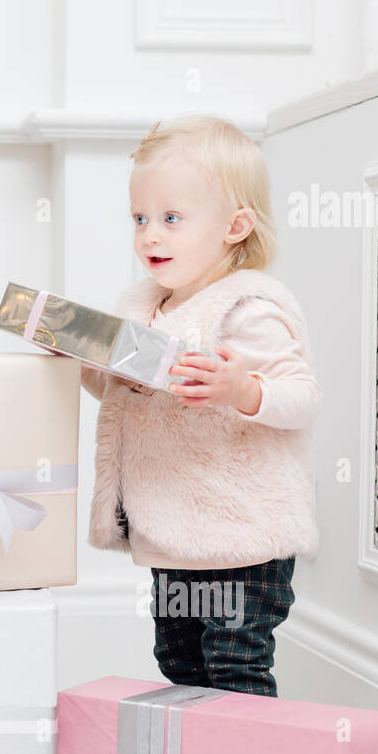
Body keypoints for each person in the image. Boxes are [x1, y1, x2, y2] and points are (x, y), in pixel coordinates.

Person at [82, 114, 321, 697]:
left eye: (170, 219)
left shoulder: (248, 308)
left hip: (242, 537)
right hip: (175, 531)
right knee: (181, 665)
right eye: (139, 219)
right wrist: (92, 365)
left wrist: (244, 390)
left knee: (235, 666)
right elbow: (127, 402)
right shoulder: (144, 310)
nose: (149, 236)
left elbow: (303, 397)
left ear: (235, 226)